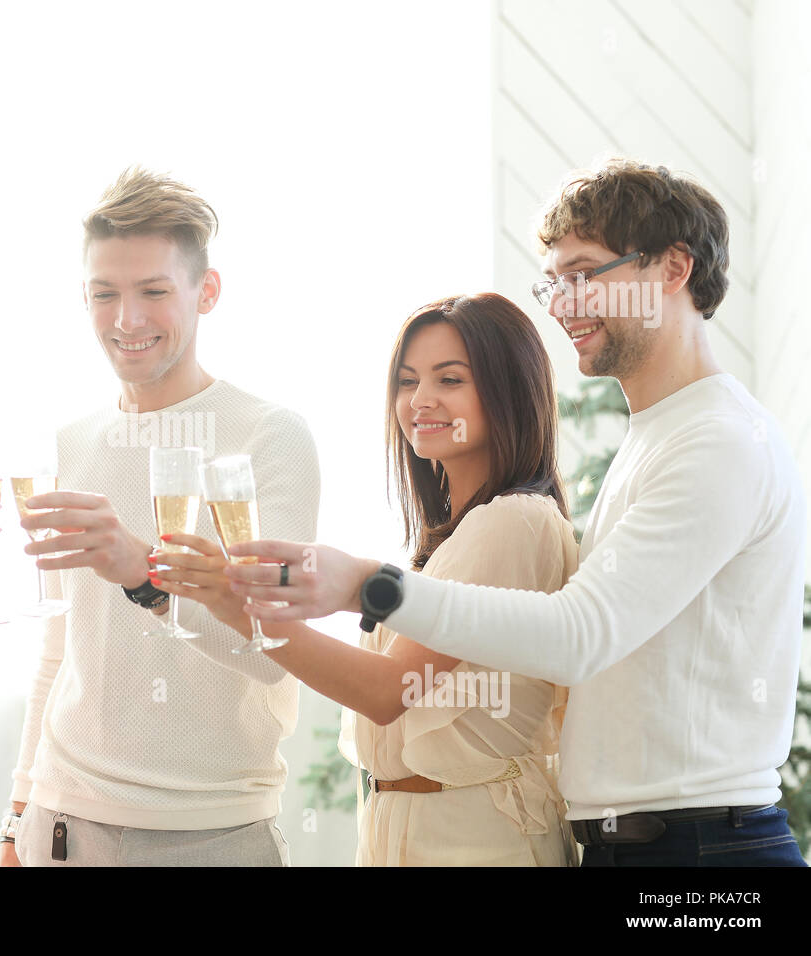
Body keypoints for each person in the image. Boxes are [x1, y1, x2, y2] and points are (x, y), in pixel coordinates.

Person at [225, 159, 808, 867]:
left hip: (700, 852)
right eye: (553, 283)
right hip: (651, 846)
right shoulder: (661, 436)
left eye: (584, 274)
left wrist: (366, 585)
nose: (562, 305)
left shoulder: (716, 441)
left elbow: (578, 633)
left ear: (672, 270)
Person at [154, 293, 580, 865]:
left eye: (449, 379)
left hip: (475, 836)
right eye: (407, 382)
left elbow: (388, 692)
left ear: (508, 390)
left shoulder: (512, 521)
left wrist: (242, 609)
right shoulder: (458, 532)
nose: (420, 401)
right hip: (415, 826)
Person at [0, 167, 320, 866]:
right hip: (62, 823)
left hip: (215, 835)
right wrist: (17, 814)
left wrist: (143, 571)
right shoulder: (70, 445)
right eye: (104, 294)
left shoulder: (268, 437)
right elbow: (60, 649)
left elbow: (277, 653)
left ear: (207, 292)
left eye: (153, 291)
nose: (126, 319)